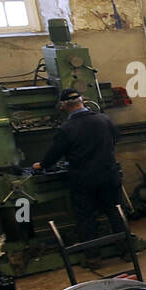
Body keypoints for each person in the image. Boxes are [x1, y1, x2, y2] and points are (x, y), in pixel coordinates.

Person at [33, 89, 123, 265]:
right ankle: (126, 250)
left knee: (86, 218)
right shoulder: (104, 119)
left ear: (63, 106)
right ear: (83, 101)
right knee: (115, 212)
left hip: (84, 180)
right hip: (109, 175)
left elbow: (54, 154)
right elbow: (116, 138)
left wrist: (41, 165)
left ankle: (93, 257)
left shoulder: (66, 129)